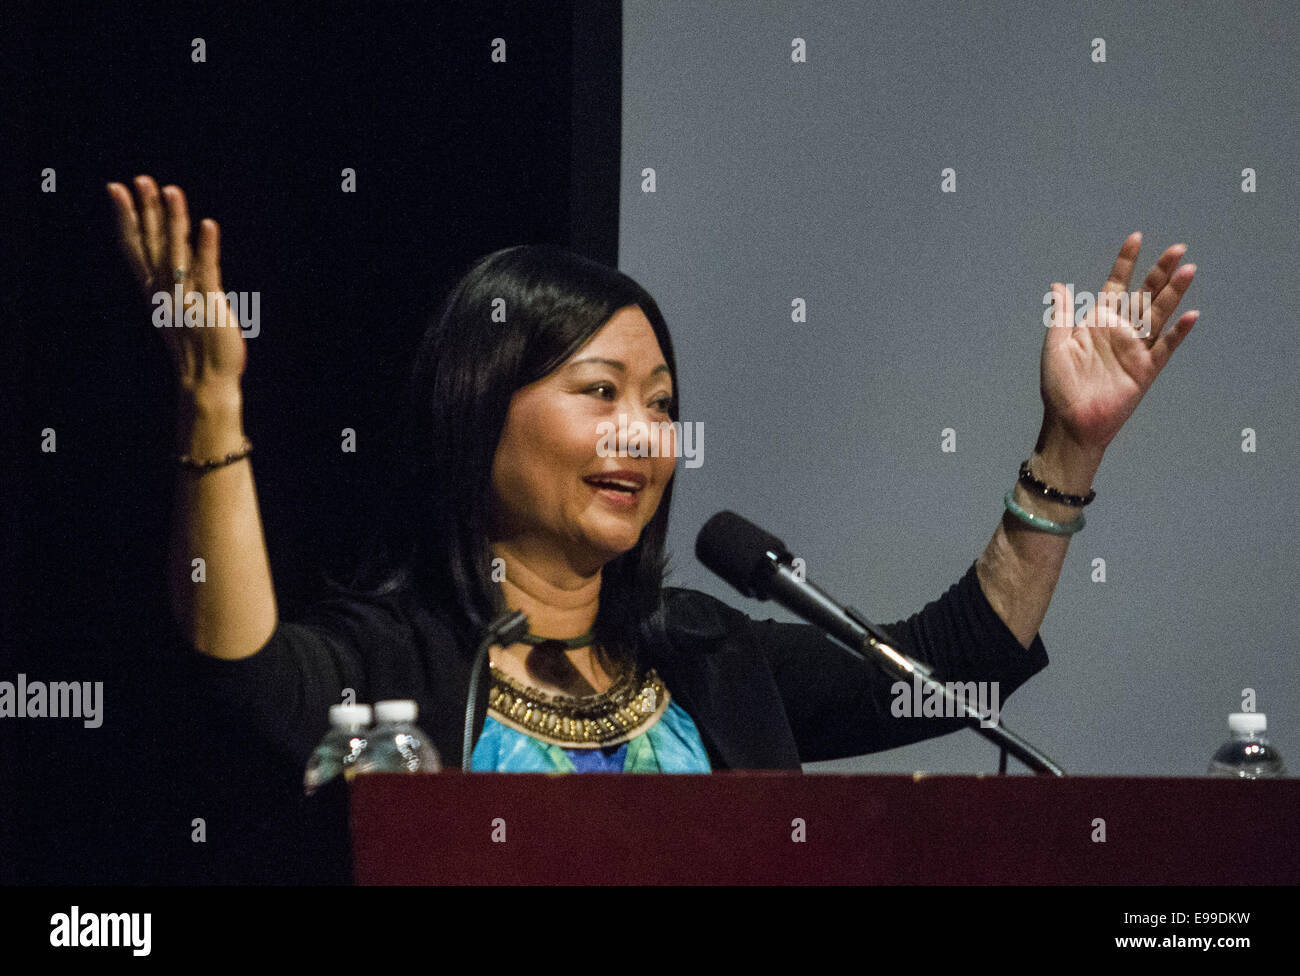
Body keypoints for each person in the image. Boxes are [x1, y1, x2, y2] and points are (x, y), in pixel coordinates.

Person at [106, 175, 1199, 774]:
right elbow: (238, 665)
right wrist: (211, 401)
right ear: (478, 409)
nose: (644, 434)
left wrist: (1071, 449)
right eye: (600, 392)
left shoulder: (710, 656)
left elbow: (963, 667)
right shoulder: (390, 660)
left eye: (664, 404)